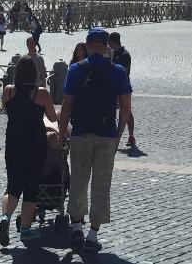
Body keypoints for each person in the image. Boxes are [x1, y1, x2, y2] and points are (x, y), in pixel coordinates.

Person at [59, 27, 132, 254]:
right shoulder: (118, 71)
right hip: (106, 134)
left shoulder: (75, 69)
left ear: (89, 46)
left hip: (81, 133)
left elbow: (67, 106)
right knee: (102, 185)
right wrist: (119, 135)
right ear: (106, 46)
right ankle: (93, 234)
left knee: (79, 182)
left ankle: (77, 227)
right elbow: (126, 107)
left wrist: (63, 131)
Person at [0, 56, 59, 245]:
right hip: (35, 145)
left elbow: (8, 111)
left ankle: (5, 218)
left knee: (13, 186)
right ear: (34, 73)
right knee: (31, 188)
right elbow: (51, 117)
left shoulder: (8, 91)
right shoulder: (40, 93)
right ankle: (25, 230)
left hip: (14, 144)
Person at [107, 32, 135, 147]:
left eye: (109, 42)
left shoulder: (124, 55)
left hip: (123, 88)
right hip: (111, 87)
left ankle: (131, 135)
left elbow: (124, 72)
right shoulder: (110, 53)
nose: (107, 45)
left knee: (126, 111)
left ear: (113, 42)